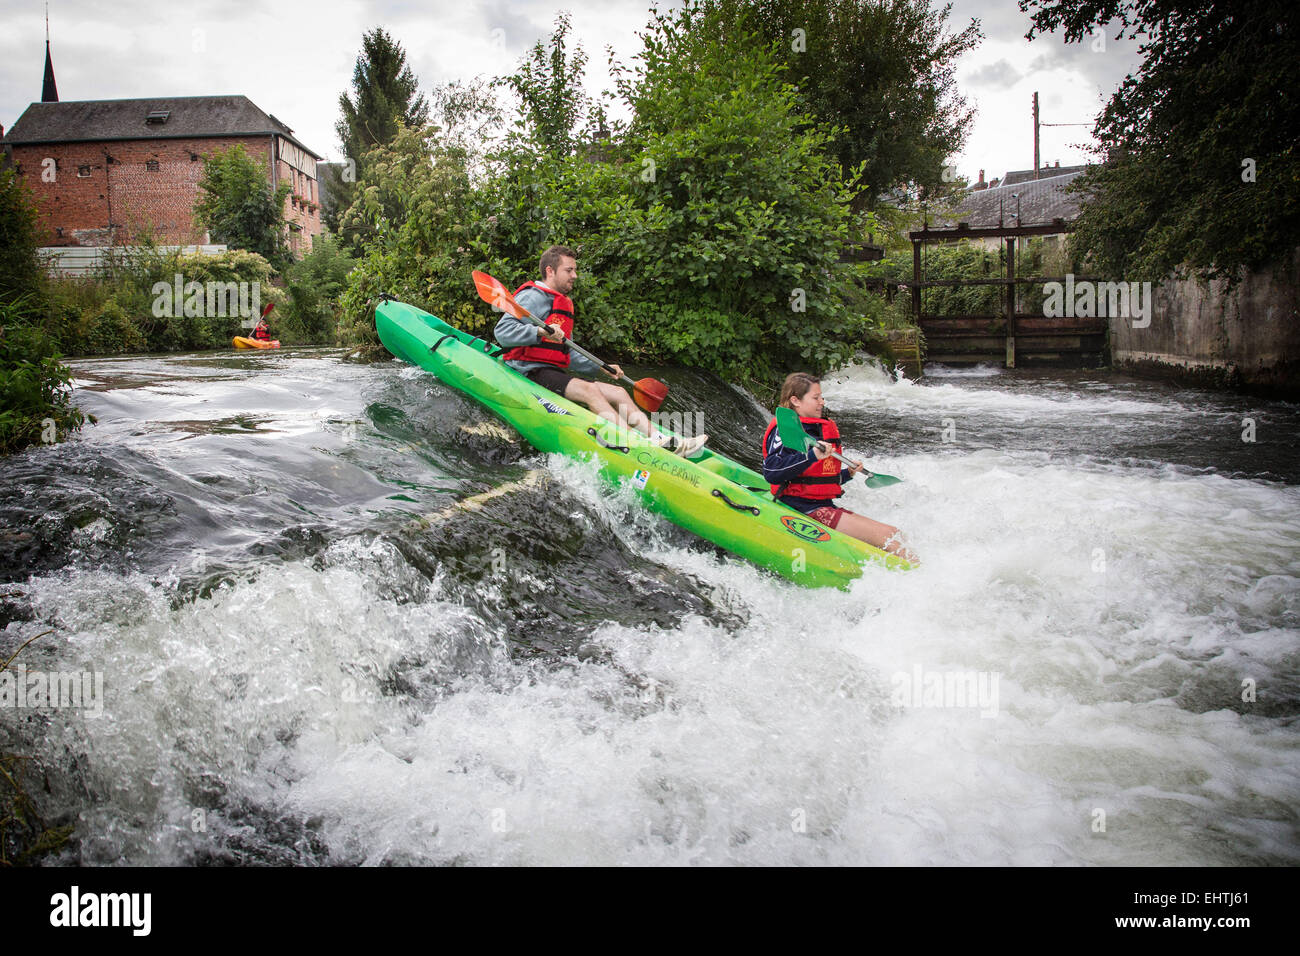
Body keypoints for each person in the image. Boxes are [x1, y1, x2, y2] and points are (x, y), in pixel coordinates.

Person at [494, 245, 707, 457]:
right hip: (527, 370)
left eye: (574, 270)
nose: (574, 275)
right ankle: (635, 445)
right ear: (550, 271)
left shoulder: (563, 303)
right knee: (590, 391)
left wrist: (601, 367)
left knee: (619, 392)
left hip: (551, 372)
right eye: (569, 270)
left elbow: (567, 353)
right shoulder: (533, 297)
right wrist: (540, 331)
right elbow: (502, 332)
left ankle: (660, 439)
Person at [762, 372, 916, 562]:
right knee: (890, 539)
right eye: (815, 398)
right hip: (801, 508)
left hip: (821, 505)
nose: (822, 402)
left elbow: (818, 479)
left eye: (822, 397)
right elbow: (771, 472)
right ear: (796, 400)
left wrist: (848, 473)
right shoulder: (784, 429)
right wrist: (812, 456)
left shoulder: (815, 428)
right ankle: (919, 579)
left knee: (896, 534)